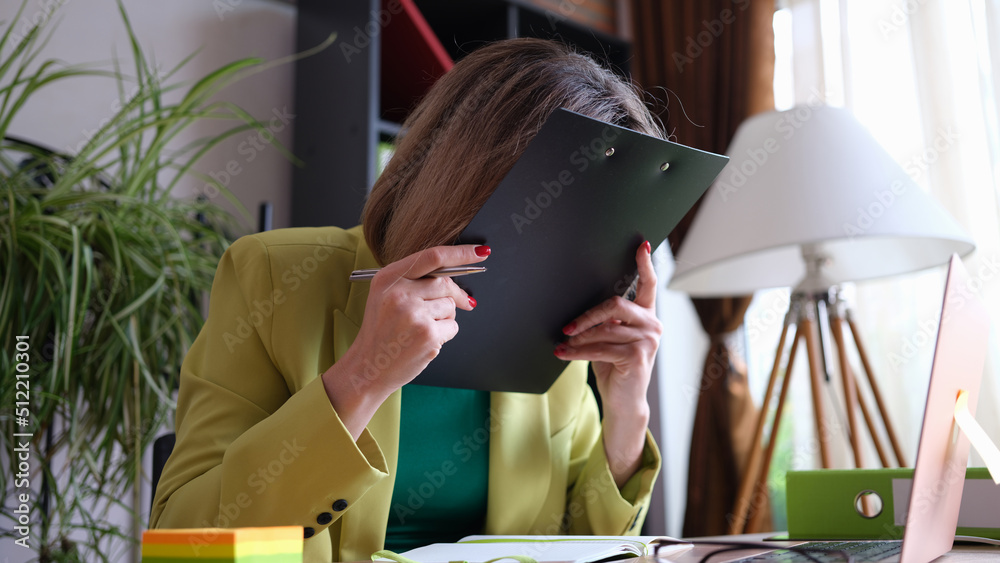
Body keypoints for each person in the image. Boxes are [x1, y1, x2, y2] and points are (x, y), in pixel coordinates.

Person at [151, 37, 665, 562]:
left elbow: (581, 543)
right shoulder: (270, 275)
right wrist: (361, 379)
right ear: (462, 176)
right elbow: (185, 543)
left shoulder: (553, 319)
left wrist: (626, 414)